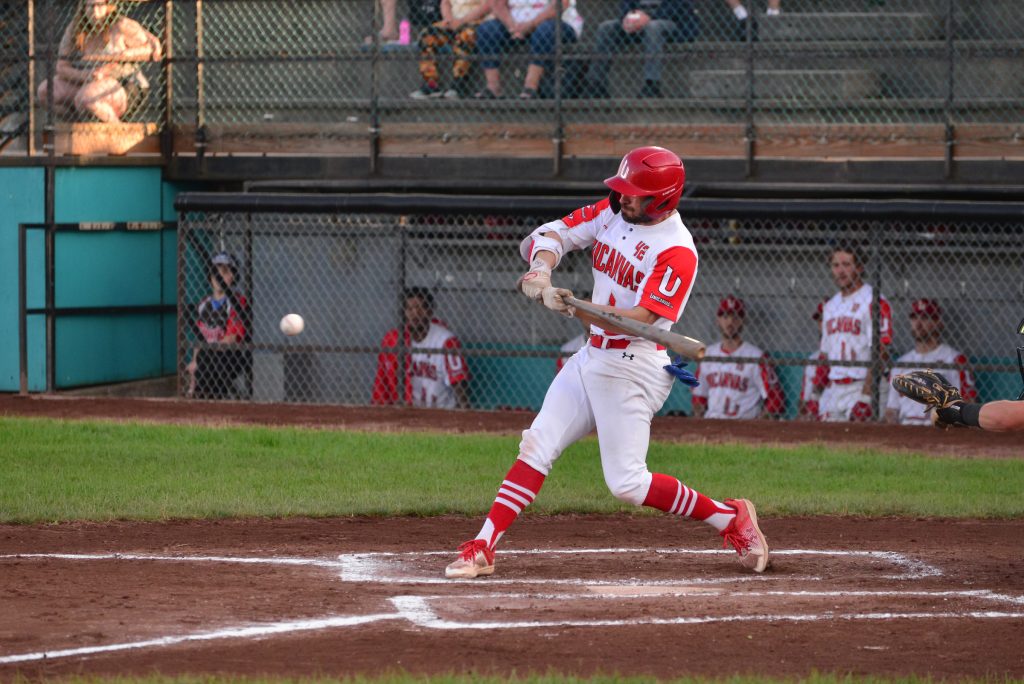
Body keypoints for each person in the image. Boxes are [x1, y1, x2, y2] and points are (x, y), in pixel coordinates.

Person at [443, 145, 769, 580]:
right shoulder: (616, 211)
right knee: (538, 444)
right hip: (593, 353)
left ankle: (730, 519)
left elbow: (639, 321)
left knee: (628, 484)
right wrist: (541, 271)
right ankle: (483, 545)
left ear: (663, 198)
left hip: (633, 367)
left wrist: (577, 308)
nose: (624, 197)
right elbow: (556, 233)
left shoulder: (677, 251)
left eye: (635, 192)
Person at [37, 0, 162, 124]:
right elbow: (61, 67)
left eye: (100, 5)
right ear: (83, 7)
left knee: (86, 97)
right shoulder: (75, 28)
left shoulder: (121, 24)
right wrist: (86, 75)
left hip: (124, 83)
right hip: (88, 82)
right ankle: (80, 127)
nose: (95, 13)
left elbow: (151, 49)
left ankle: (119, 132)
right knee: (45, 91)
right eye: (91, 6)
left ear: (108, 6)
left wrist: (124, 55)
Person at [817, 245, 892, 422]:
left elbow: (881, 351)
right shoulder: (830, 305)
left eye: (846, 264)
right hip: (835, 387)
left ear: (859, 267)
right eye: (835, 265)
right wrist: (815, 392)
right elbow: (825, 353)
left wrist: (866, 397)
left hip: (863, 385)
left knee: (863, 445)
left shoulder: (873, 300)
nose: (840, 271)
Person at [372, 287, 470, 409]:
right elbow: (382, 385)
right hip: (409, 412)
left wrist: (462, 415)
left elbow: (460, 386)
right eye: (409, 309)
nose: (415, 313)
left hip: (442, 413)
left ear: (430, 311)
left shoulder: (445, 341)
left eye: (421, 308)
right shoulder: (393, 341)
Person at [885, 298, 977, 426]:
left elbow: (969, 402)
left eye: (925, 318)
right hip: (906, 427)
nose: (918, 323)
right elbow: (891, 409)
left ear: (938, 323)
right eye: (914, 318)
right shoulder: (900, 363)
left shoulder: (954, 359)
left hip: (938, 429)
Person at [691, 295, 785, 419]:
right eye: (725, 317)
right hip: (712, 422)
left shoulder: (757, 356)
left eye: (735, 317)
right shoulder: (707, 354)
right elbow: (699, 396)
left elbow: (776, 400)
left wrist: (758, 424)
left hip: (743, 425)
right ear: (717, 320)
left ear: (743, 321)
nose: (730, 322)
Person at [584, 0, 699, 99]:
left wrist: (649, 18)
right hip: (638, 22)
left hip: (672, 23)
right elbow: (626, 5)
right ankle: (596, 84)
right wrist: (628, 18)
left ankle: (652, 84)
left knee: (653, 27)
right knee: (606, 27)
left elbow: (678, 8)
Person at [473, 0, 582, 99]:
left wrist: (531, 24)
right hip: (514, 24)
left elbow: (560, 5)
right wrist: (513, 26)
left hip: (555, 22)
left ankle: (530, 87)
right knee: (486, 30)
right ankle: (493, 87)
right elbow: (496, 4)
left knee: (544, 31)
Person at [186, 252, 250, 400]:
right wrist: (195, 360)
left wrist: (208, 352)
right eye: (216, 272)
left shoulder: (237, 301)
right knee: (203, 360)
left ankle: (206, 396)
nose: (219, 277)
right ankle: (207, 397)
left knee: (210, 358)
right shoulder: (204, 304)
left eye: (226, 272)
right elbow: (199, 339)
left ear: (233, 277)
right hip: (207, 358)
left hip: (231, 356)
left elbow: (231, 338)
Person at [409, 0, 492, 99]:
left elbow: (487, 5)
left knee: (467, 34)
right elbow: (445, 3)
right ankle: (431, 84)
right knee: (427, 35)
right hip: (452, 22)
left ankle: (458, 84)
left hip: (475, 22)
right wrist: (448, 19)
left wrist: (462, 21)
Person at [798, 300, 829, 421]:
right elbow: (804, 400)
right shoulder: (813, 359)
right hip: (816, 416)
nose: (824, 324)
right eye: (821, 320)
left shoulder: (851, 355)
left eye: (828, 319)